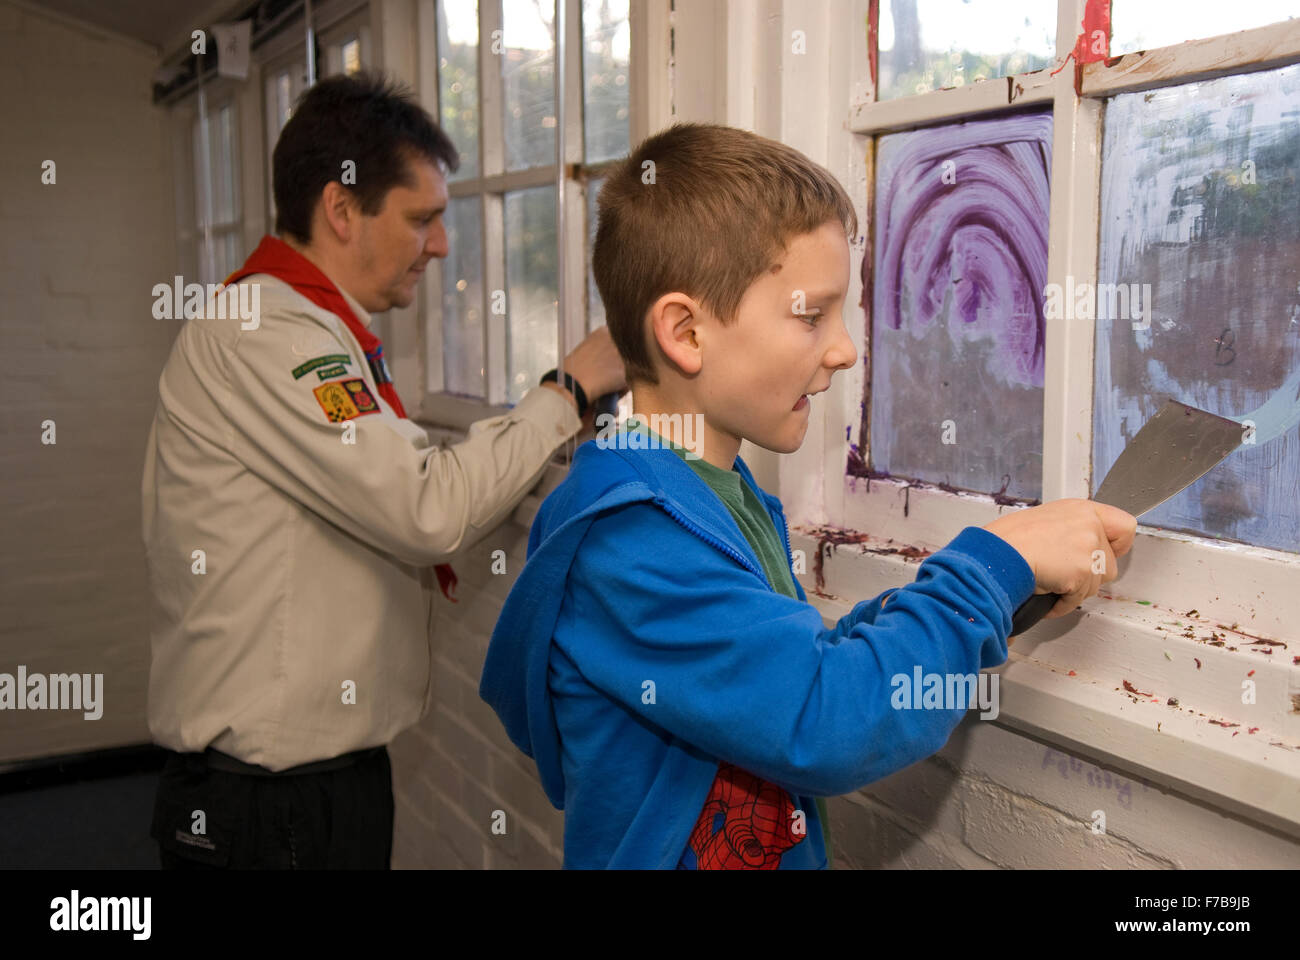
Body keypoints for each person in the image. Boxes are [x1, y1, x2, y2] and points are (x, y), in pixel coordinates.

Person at [479, 122, 1136, 869]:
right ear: (685, 333)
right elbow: (827, 718)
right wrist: (990, 567)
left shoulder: (716, 496)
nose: (845, 347)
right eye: (809, 313)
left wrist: (1004, 595)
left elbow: (798, 662)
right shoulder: (630, 536)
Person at [142, 72, 624, 869]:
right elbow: (423, 510)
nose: (440, 244)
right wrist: (565, 391)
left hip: (311, 786)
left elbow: (388, 480)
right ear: (341, 208)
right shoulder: (269, 334)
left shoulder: (315, 332)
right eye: (423, 219)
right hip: (266, 806)